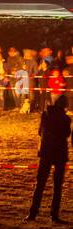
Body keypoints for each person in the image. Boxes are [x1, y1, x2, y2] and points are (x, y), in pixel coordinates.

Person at [26, 94, 70, 222]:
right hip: (60, 153)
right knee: (57, 186)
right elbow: (66, 134)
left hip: (46, 152)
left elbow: (40, 132)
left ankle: (32, 213)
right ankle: (54, 215)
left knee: (40, 184)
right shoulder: (66, 119)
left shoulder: (46, 115)